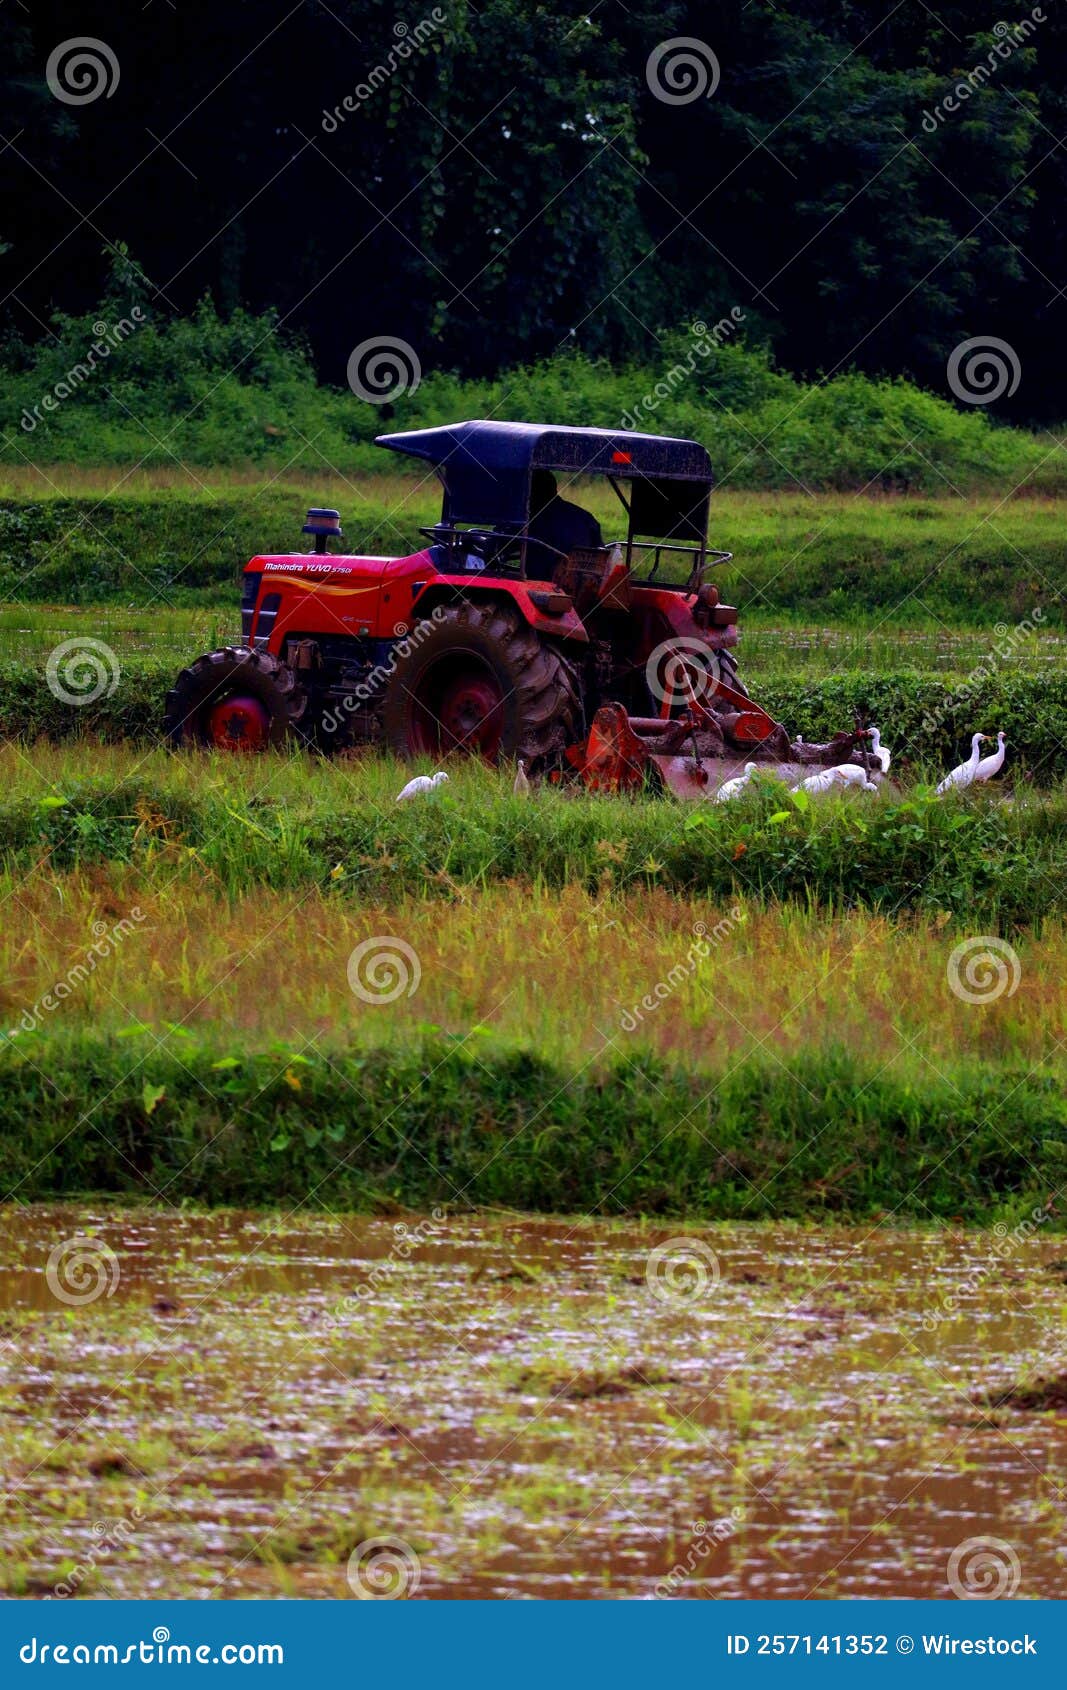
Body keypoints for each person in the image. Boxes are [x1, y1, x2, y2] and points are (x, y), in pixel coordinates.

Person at [524, 470, 603, 580]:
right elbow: (601, 558)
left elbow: (502, 545)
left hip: (540, 585)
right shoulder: (586, 518)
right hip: (580, 588)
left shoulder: (531, 518)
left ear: (532, 492)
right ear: (554, 489)